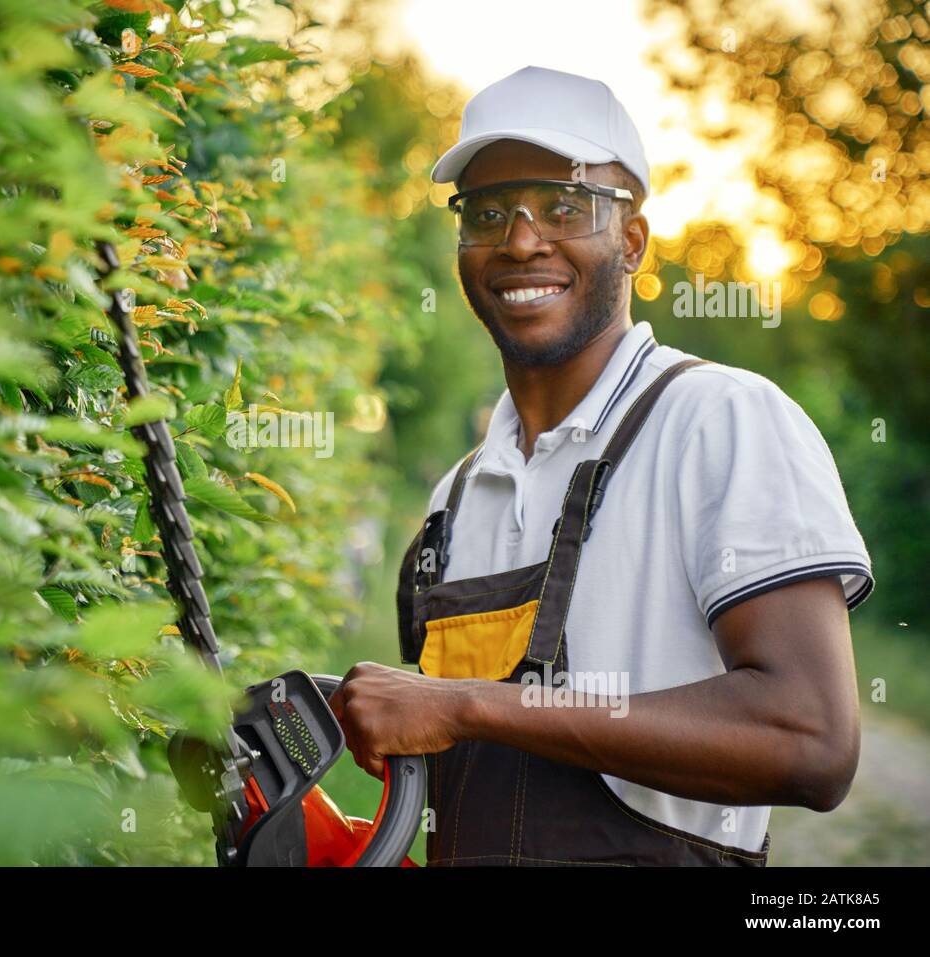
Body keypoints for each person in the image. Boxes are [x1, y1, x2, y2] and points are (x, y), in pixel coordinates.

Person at [329, 66, 874, 866]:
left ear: (632, 240)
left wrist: (467, 704)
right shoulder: (457, 494)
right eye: (487, 212)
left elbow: (813, 740)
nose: (521, 241)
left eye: (563, 206)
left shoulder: (719, 421)